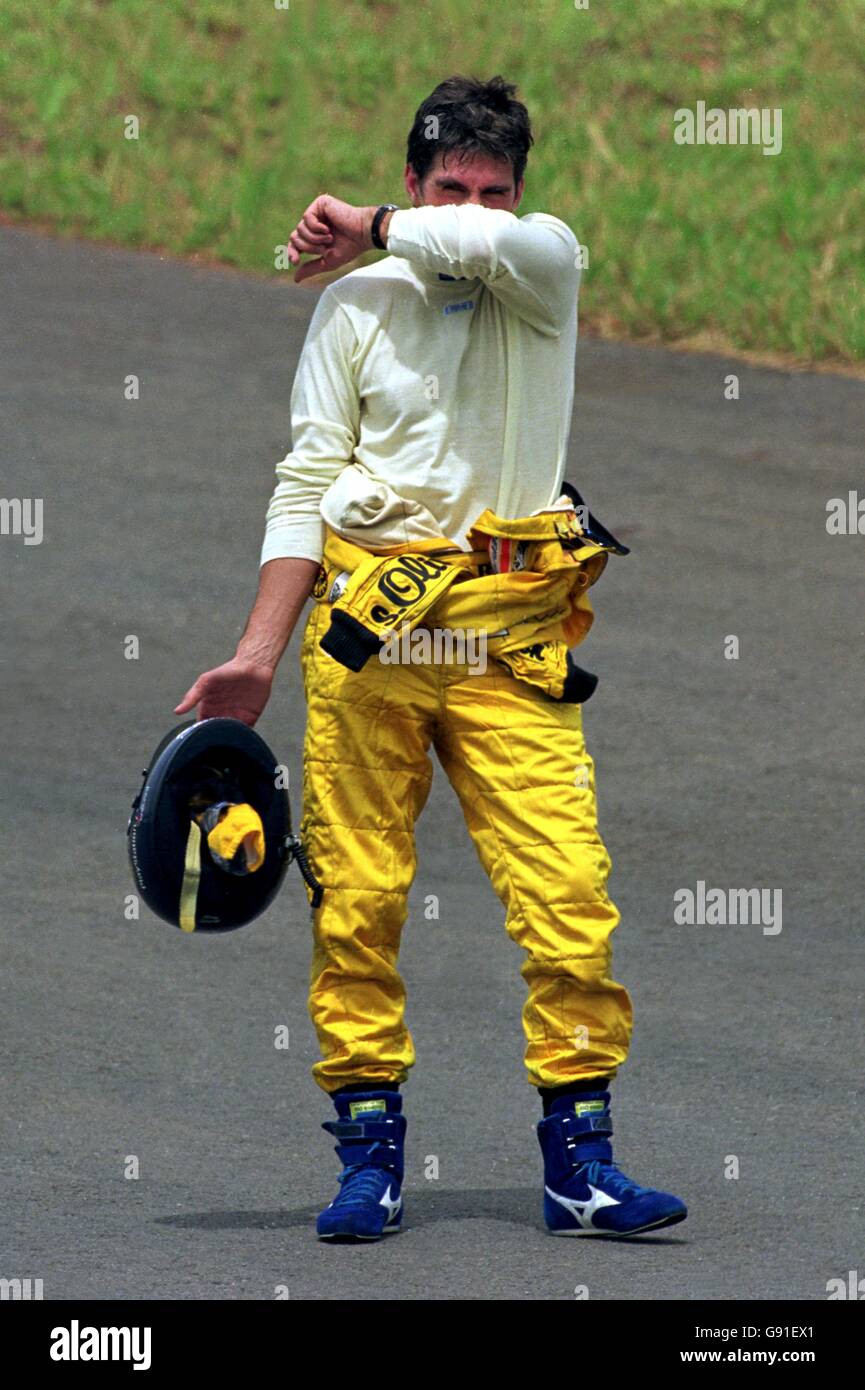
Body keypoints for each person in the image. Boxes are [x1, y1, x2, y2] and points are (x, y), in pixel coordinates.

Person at [176, 74, 687, 1243]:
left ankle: (581, 1167)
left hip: (507, 643)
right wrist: (258, 652)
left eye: (492, 192)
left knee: (567, 899)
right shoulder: (353, 308)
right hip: (369, 643)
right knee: (356, 906)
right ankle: (368, 1159)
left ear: (519, 198)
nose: (472, 208)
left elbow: (485, 244)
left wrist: (363, 225)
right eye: (446, 186)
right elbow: (304, 483)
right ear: (413, 182)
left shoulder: (543, 266)